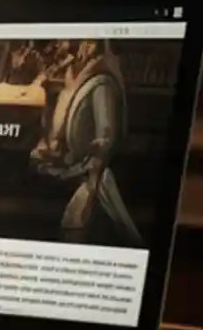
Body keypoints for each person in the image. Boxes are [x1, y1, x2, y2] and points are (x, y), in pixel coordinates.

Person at [28, 39, 143, 246]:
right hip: (68, 168)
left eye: (86, 44)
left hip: (93, 175)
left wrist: (84, 164)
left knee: (77, 225)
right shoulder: (71, 81)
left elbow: (106, 137)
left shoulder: (102, 84)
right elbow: (57, 129)